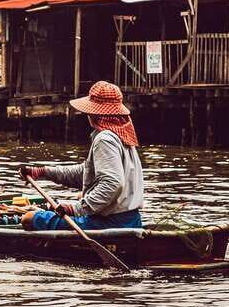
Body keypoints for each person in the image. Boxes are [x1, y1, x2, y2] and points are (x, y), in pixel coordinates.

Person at [19, 81, 144, 231]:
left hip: (108, 223)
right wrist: (43, 172)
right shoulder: (122, 136)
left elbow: (112, 183)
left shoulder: (105, 139)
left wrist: (77, 208)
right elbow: (86, 173)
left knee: (29, 218)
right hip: (132, 220)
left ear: (94, 114)